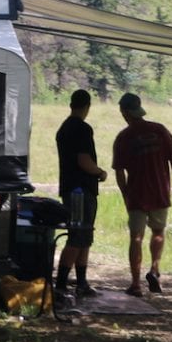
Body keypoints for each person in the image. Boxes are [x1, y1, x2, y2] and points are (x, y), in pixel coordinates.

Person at [111, 92, 172, 297]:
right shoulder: (159, 130)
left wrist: (126, 194)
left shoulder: (123, 137)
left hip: (137, 193)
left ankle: (135, 284)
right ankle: (154, 268)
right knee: (158, 232)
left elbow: (119, 171)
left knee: (136, 237)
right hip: (160, 189)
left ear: (125, 113)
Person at [53, 88, 108, 304]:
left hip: (70, 188)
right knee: (77, 236)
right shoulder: (82, 129)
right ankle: (61, 284)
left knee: (85, 235)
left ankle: (82, 283)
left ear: (71, 104)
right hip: (81, 190)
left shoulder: (64, 128)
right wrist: (100, 172)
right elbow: (84, 161)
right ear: (87, 107)